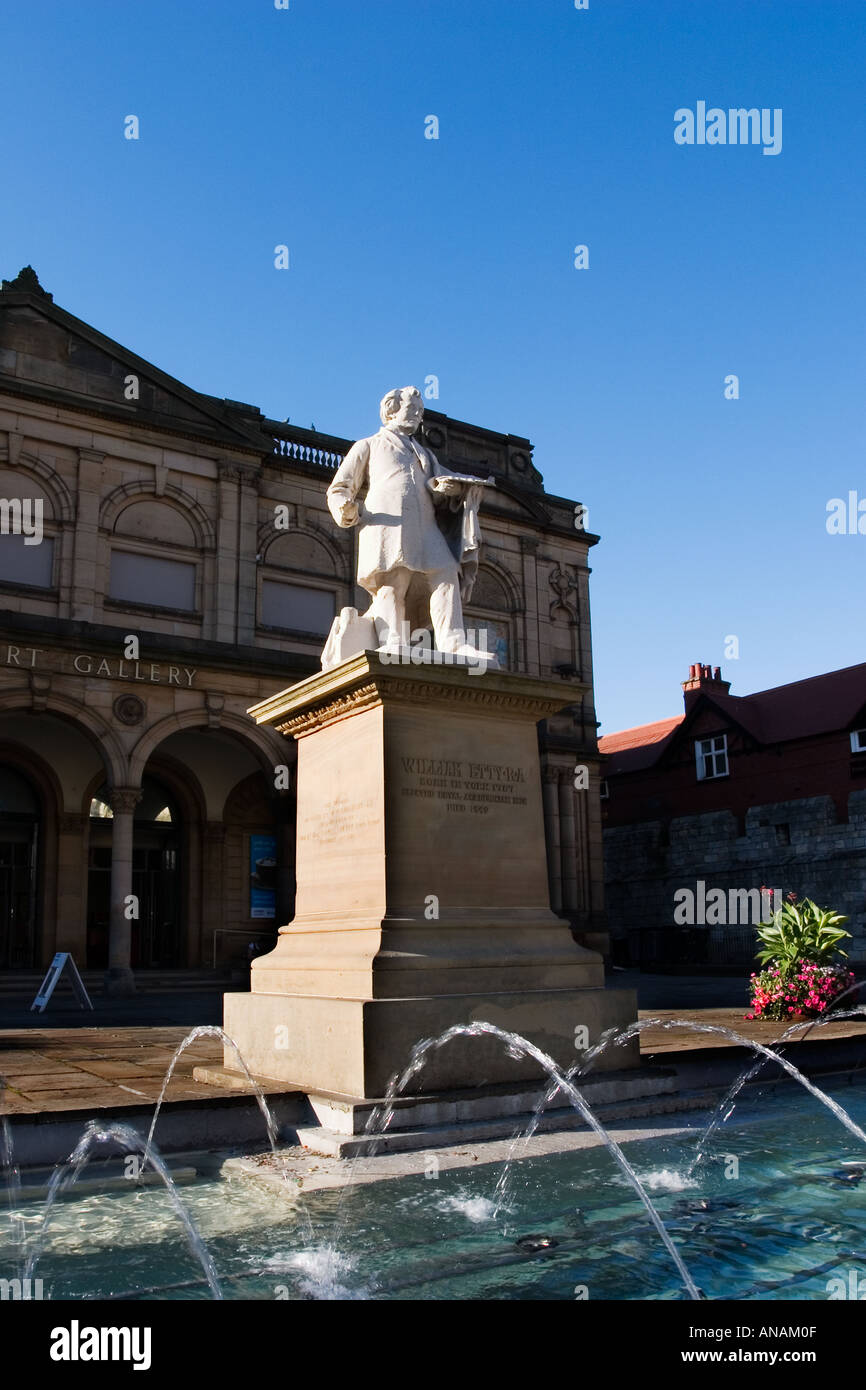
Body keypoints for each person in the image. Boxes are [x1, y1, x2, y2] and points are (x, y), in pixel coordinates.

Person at [324, 385, 492, 659]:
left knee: (447, 572)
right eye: (412, 409)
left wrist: (450, 489)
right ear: (391, 410)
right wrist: (345, 507)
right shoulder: (368, 445)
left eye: (421, 412)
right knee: (393, 581)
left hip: (425, 524)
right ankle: (393, 642)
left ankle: (452, 642)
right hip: (386, 521)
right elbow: (339, 487)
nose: (417, 416)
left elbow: (438, 484)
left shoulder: (425, 454)